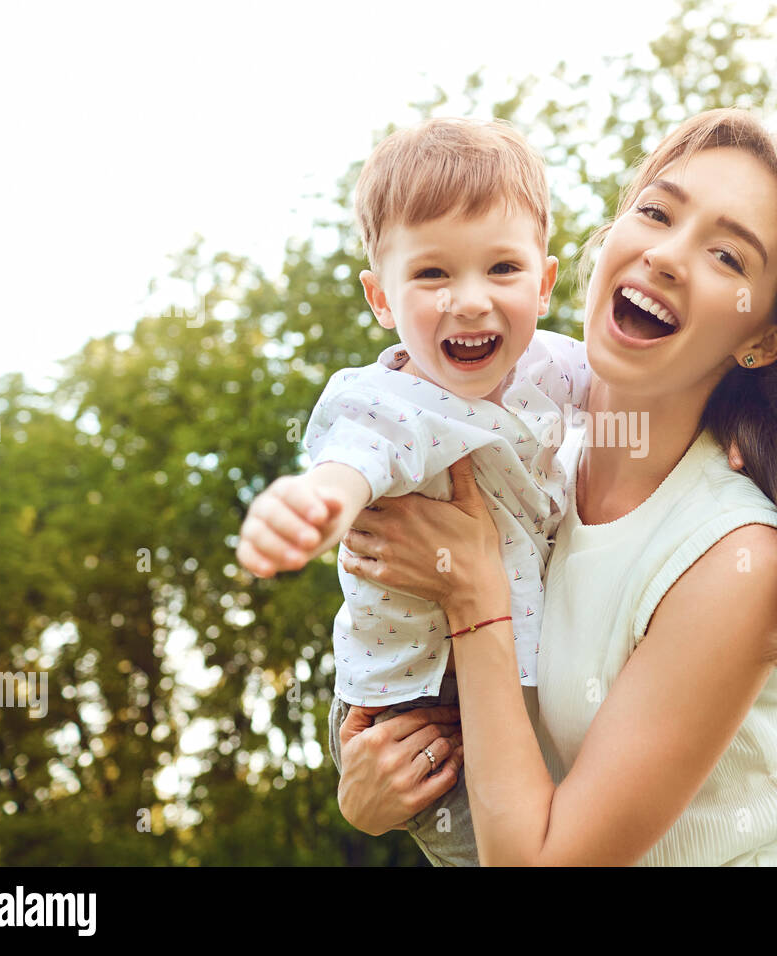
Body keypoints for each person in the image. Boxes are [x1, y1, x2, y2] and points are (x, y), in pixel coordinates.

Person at [332, 108, 777, 865]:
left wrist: (476, 596)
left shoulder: (737, 555)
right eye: (656, 213)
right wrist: (373, 788)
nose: (668, 256)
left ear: (762, 339)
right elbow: (403, 657)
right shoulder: (525, 442)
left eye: (728, 256)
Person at [235, 117, 590, 866]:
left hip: (509, 676)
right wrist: (311, 509)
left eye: (502, 268)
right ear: (382, 299)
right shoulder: (387, 400)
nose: (471, 300)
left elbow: (650, 390)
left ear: (544, 283)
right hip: (409, 704)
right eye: (432, 275)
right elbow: (349, 467)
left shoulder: (555, 368)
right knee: (498, 848)